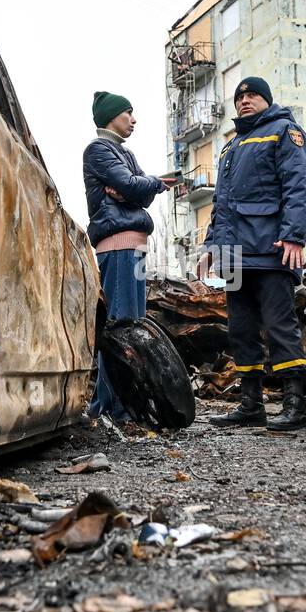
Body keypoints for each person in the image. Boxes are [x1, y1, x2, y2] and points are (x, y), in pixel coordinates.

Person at [197, 76, 306, 430]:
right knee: (241, 329)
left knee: (280, 327)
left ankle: (296, 406)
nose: (245, 101)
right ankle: (251, 405)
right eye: (240, 97)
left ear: (266, 99)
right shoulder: (230, 147)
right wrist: (211, 248)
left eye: (252, 95)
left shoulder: (284, 131)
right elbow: (222, 204)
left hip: (271, 249)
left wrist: (293, 236)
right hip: (234, 255)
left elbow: (299, 184)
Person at [82, 90, 175, 420]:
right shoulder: (97, 150)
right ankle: (108, 409)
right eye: (128, 114)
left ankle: (121, 406)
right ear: (111, 116)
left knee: (132, 328)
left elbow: (140, 195)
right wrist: (141, 185)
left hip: (133, 244)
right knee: (120, 329)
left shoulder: (125, 153)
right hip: (117, 244)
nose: (134, 120)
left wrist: (136, 188)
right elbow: (136, 187)